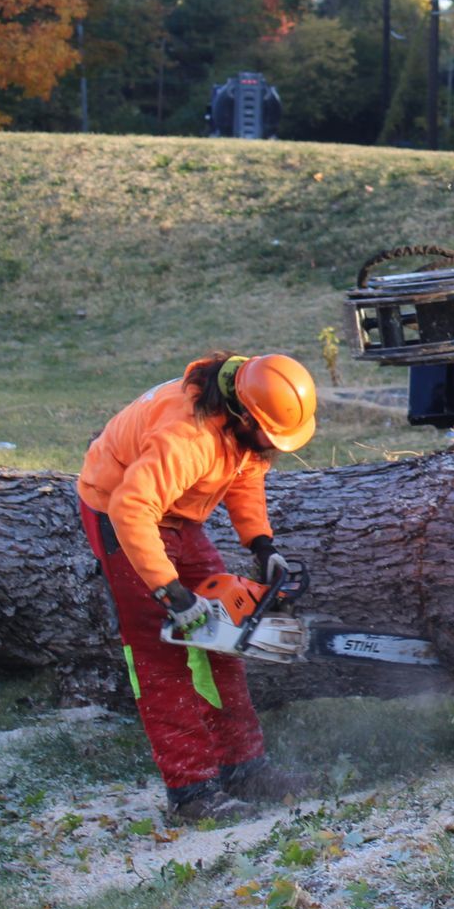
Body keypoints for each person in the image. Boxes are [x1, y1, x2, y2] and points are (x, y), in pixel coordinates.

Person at [77, 352, 318, 822]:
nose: (268, 445)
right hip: (120, 514)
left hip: (177, 517)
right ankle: (191, 792)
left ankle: (244, 767)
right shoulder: (185, 438)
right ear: (245, 414)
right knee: (160, 655)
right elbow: (132, 511)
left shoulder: (240, 420)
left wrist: (261, 543)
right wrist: (170, 593)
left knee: (225, 636)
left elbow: (245, 472)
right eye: (266, 434)